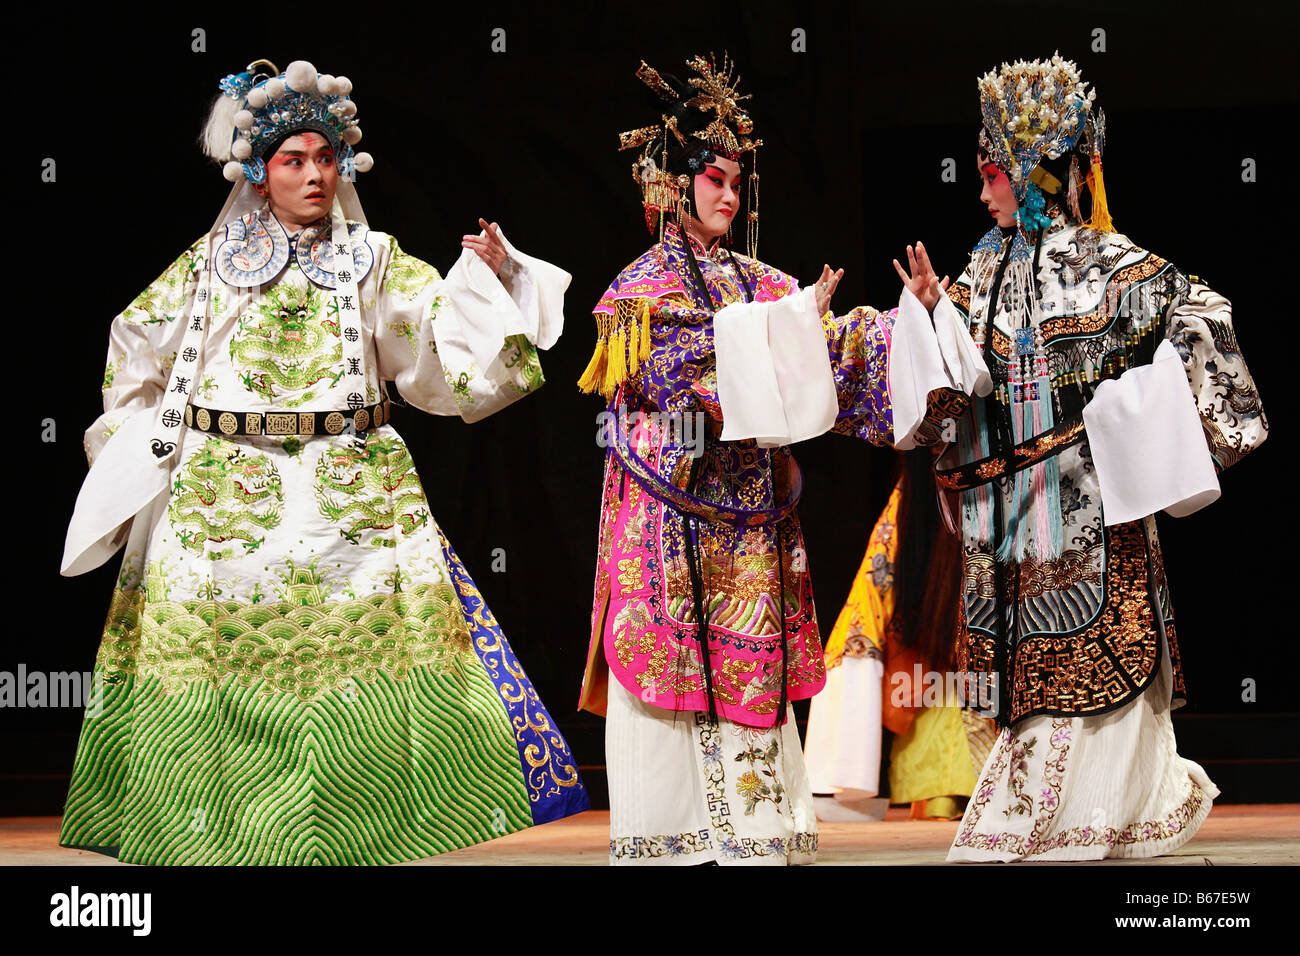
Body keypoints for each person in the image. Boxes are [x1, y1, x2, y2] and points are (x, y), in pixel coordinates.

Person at [58, 59, 588, 865]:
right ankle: (213, 831)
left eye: (325, 157)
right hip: (220, 498)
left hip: (354, 493)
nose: (313, 174)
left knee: (377, 668)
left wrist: (493, 277)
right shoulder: (206, 269)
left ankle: (373, 825)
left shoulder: (372, 259)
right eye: (292, 160)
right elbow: (136, 345)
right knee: (210, 666)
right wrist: (139, 448)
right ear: (257, 171)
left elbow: (440, 341)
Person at [574, 54, 964, 865]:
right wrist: (784, 330)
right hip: (668, 518)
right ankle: (672, 834)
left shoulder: (762, 283)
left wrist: (911, 321)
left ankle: (756, 830)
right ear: (671, 186)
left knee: (749, 666)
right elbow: (685, 374)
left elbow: (838, 356)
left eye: (736, 179)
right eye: (711, 178)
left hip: (744, 519)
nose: (727, 194)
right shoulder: (639, 291)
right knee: (672, 667)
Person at [907, 56, 1268, 861]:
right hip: (1003, 529)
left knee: (1087, 683)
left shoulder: (1107, 266)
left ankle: (1090, 818)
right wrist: (932, 316)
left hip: (1088, 523)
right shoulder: (979, 270)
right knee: (1016, 677)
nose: (982, 190)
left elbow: (1202, 313)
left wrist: (1137, 414)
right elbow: (949, 387)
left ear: (1035, 172)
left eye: (993, 172)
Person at [804, 451, 996, 821]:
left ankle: (948, 790)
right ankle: (954, 788)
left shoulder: (911, 496)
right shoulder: (911, 499)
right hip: (937, 665)